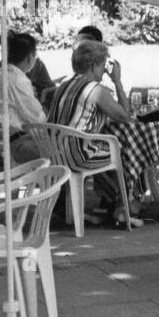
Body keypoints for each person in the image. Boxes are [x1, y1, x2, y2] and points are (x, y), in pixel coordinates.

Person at [46, 39, 142, 229]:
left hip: (55, 152)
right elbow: (125, 117)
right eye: (103, 65)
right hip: (78, 155)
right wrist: (117, 80)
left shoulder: (63, 86)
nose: (104, 70)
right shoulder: (95, 90)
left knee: (109, 148)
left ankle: (109, 202)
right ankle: (125, 208)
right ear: (94, 65)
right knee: (132, 153)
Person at [0, 32, 47, 165]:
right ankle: (59, 186)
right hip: (22, 142)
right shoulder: (18, 79)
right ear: (29, 57)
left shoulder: (1, 73)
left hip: (10, 137)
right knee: (66, 153)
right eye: (34, 56)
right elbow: (36, 116)